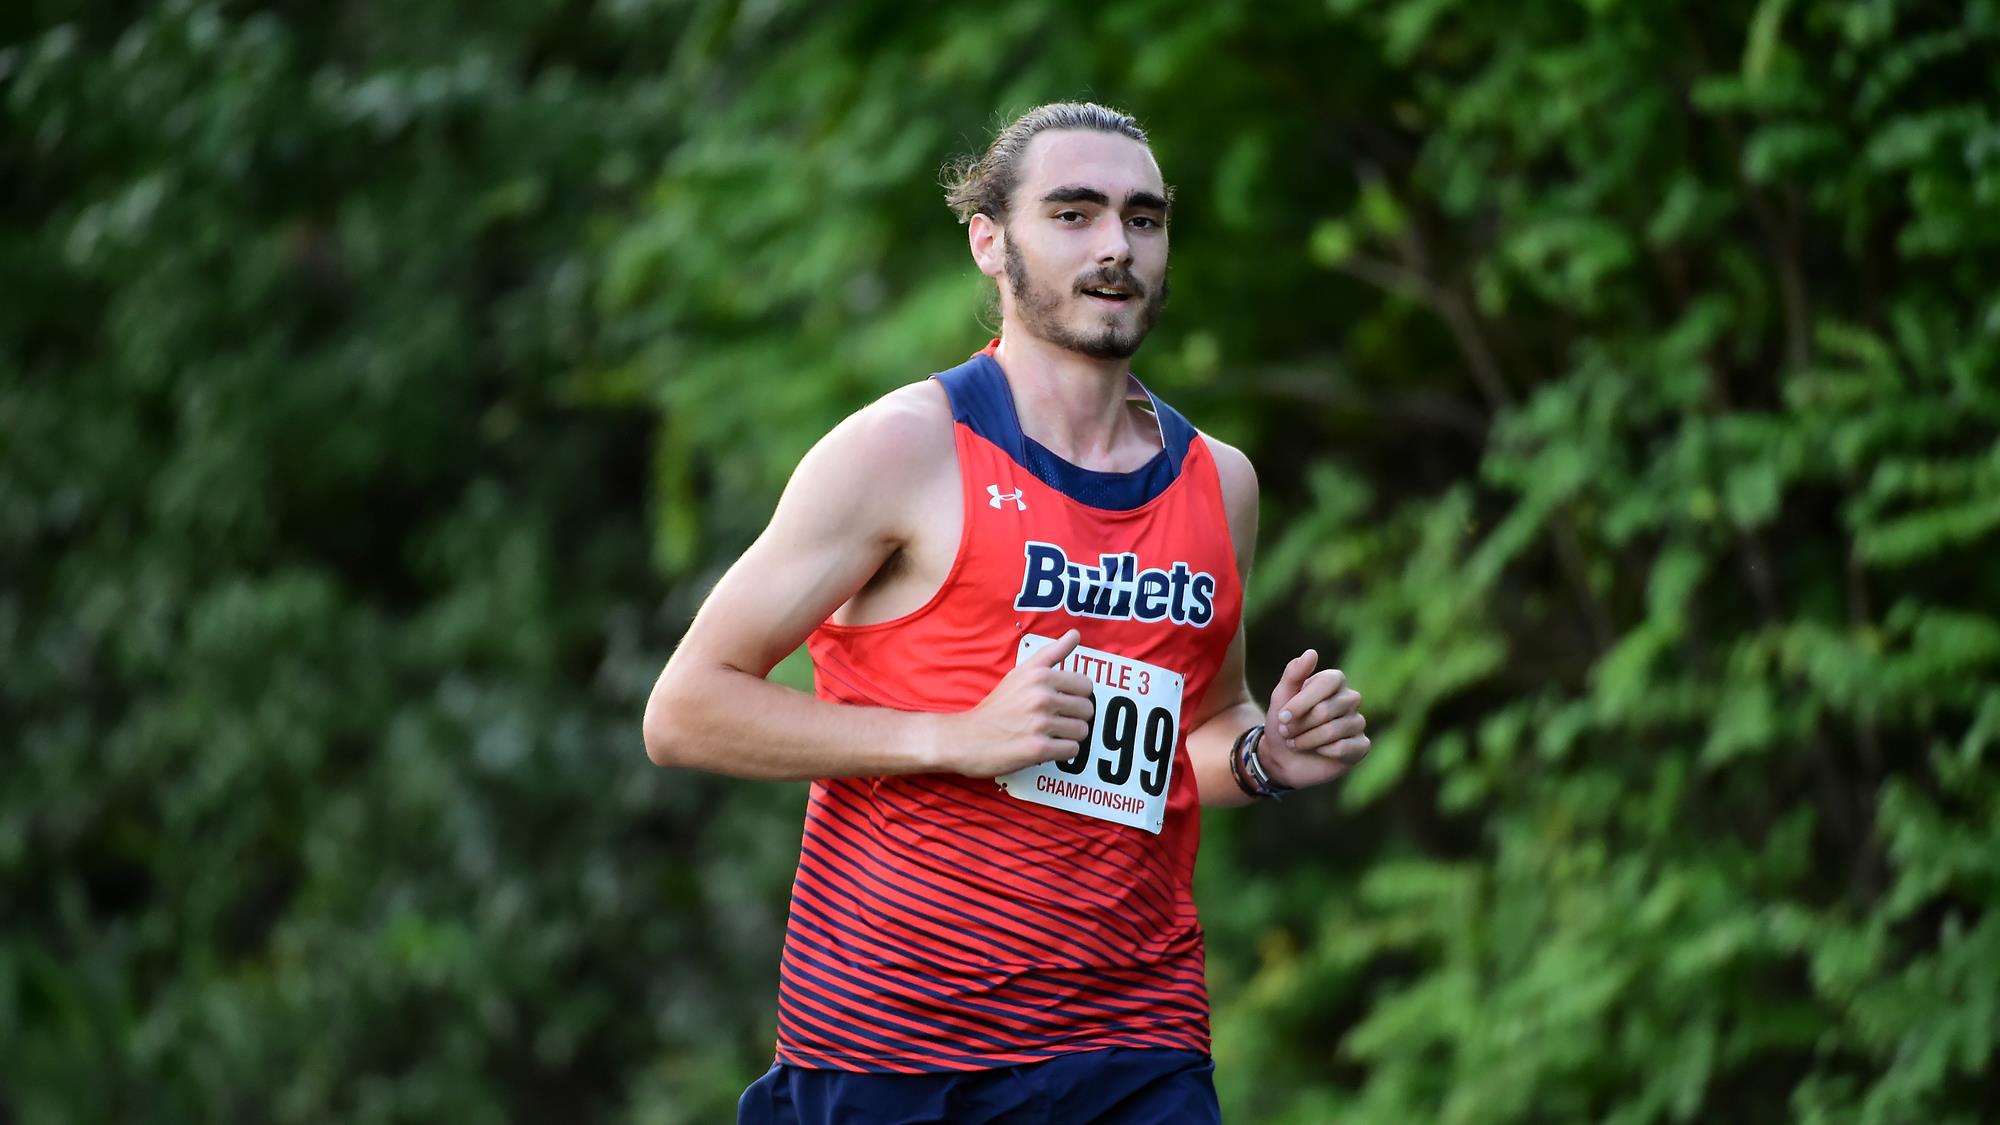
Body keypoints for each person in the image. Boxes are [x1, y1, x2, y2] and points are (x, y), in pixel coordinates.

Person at [642, 102, 1371, 1124]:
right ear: (988, 240)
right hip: (892, 1050)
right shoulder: (902, 451)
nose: (1116, 245)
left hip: (1133, 1041)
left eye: (1143, 218)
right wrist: (955, 736)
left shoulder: (1218, 483)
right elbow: (683, 713)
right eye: (1073, 214)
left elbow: (1194, 732)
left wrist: (1262, 756)